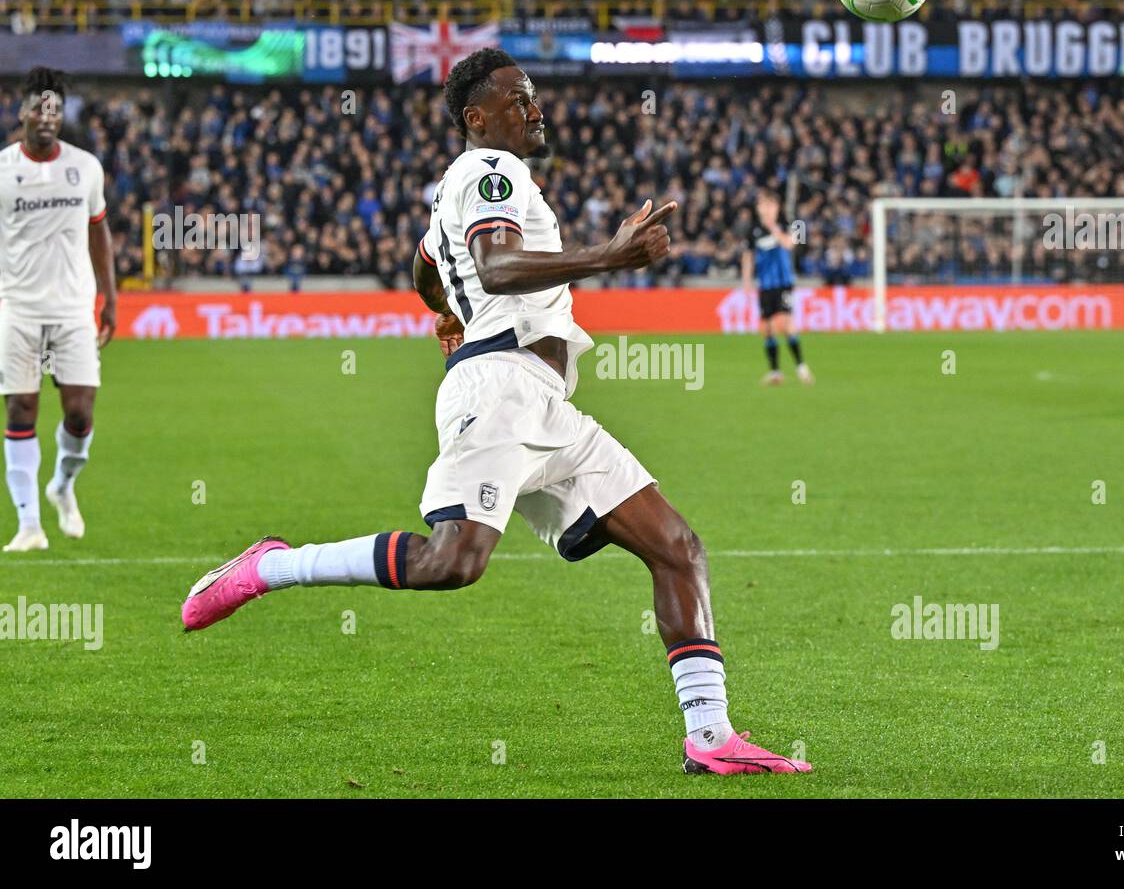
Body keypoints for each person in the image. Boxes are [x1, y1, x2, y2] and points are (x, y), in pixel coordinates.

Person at [180, 49, 811, 776]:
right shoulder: (490, 171)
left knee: (677, 545)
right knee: (453, 562)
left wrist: (446, 310)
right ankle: (275, 566)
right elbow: (496, 267)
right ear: (476, 119)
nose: (535, 110)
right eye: (519, 100)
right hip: (501, 388)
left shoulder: (478, 186)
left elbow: (426, 263)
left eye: (535, 98)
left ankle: (710, 733)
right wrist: (607, 255)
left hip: (547, 404)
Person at [0, 67, 116, 551]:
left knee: (80, 410)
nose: (47, 117)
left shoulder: (86, 167)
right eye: (39, 108)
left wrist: (109, 295)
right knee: (21, 405)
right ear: (23, 112)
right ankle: (29, 525)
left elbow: (98, 230)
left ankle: (62, 485)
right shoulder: (3, 170)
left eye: (56, 110)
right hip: (18, 306)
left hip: (72, 307)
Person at [742, 191, 813, 385]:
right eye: (761, 205)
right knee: (767, 328)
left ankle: (801, 367)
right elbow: (748, 256)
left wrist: (773, 227)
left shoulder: (789, 223)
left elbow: (790, 244)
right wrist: (746, 281)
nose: (764, 209)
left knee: (787, 324)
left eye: (768, 205)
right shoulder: (753, 230)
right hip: (765, 285)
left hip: (783, 283)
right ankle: (775, 372)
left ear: (776, 207)